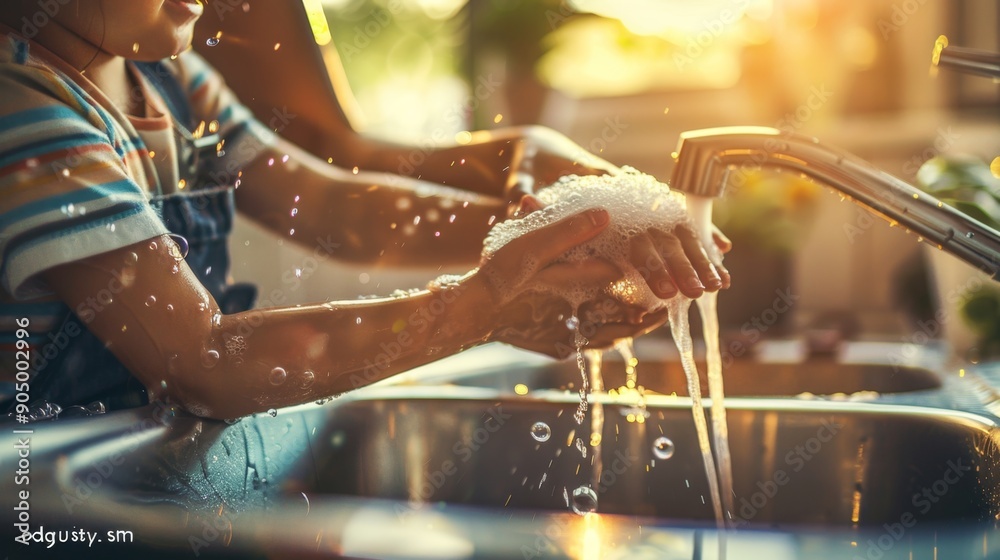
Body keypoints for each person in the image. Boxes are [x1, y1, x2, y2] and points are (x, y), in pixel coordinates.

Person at [0, 0, 730, 420]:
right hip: (48, 508)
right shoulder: (23, 107)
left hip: (146, 473)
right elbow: (203, 362)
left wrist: (571, 229)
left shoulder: (167, 76)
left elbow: (328, 205)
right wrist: (484, 309)